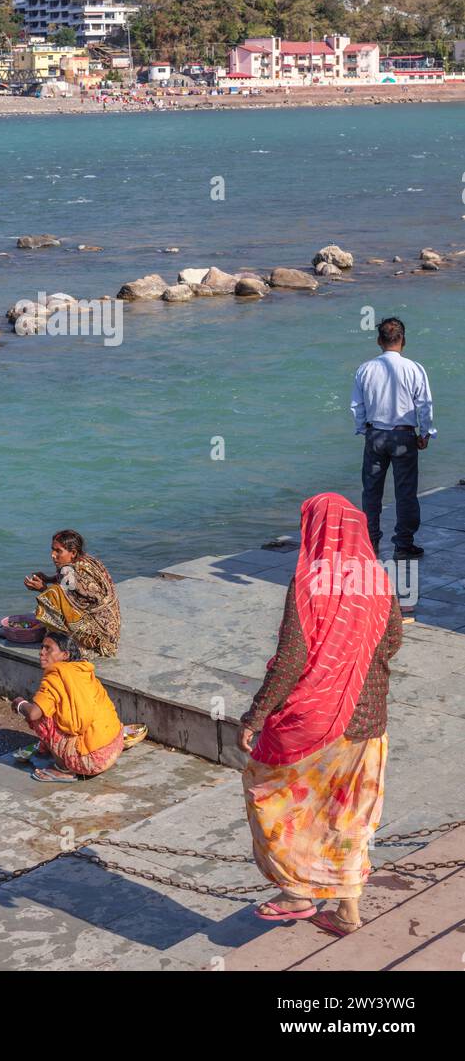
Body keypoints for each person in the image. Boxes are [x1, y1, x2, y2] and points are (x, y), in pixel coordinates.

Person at [238, 492, 403, 937]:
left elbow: (292, 658)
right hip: (369, 720)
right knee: (348, 816)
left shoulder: (310, 581)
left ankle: (296, 893)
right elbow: (390, 644)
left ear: (316, 529)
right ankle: (348, 911)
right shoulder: (378, 579)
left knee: (269, 791)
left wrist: (255, 716)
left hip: (315, 719)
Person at [351, 316, 435, 559]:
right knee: (406, 492)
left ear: (379, 341)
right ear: (403, 341)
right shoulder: (414, 368)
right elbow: (424, 405)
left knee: (371, 492)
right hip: (403, 437)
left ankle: (371, 544)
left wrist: (365, 431)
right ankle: (403, 544)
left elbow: (357, 407)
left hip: (375, 435)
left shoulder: (365, 369)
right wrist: (425, 432)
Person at [11, 631, 144, 782]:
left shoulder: (55, 675)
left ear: (65, 655)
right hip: (114, 745)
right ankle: (56, 750)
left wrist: (19, 703)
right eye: (42, 648)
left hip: (90, 761)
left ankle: (64, 769)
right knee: (54, 708)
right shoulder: (83, 670)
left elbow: (34, 714)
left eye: (48, 649)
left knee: (41, 716)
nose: (41, 653)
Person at [24, 529, 120, 656]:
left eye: (58, 551)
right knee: (56, 592)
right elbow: (71, 587)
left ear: (73, 552)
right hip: (110, 631)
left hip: (97, 636)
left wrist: (42, 589)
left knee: (52, 594)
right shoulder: (87, 560)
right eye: (52, 549)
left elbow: (64, 598)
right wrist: (48, 579)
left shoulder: (68, 571)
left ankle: (76, 642)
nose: (53, 555)